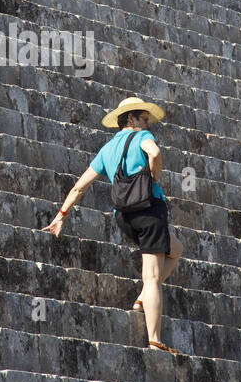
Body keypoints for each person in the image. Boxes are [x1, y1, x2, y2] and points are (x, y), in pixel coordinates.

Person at [42, 97, 186, 354]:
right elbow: (154, 153)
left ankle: (143, 296)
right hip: (148, 210)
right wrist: (154, 175)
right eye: (144, 118)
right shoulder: (143, 136)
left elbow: (80, 186)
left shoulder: (107, 149)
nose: (147, 123)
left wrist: (61, 214)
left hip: (124, 217)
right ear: (131, 118)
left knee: (175, 249)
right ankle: (154, 340)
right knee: (152, 276)